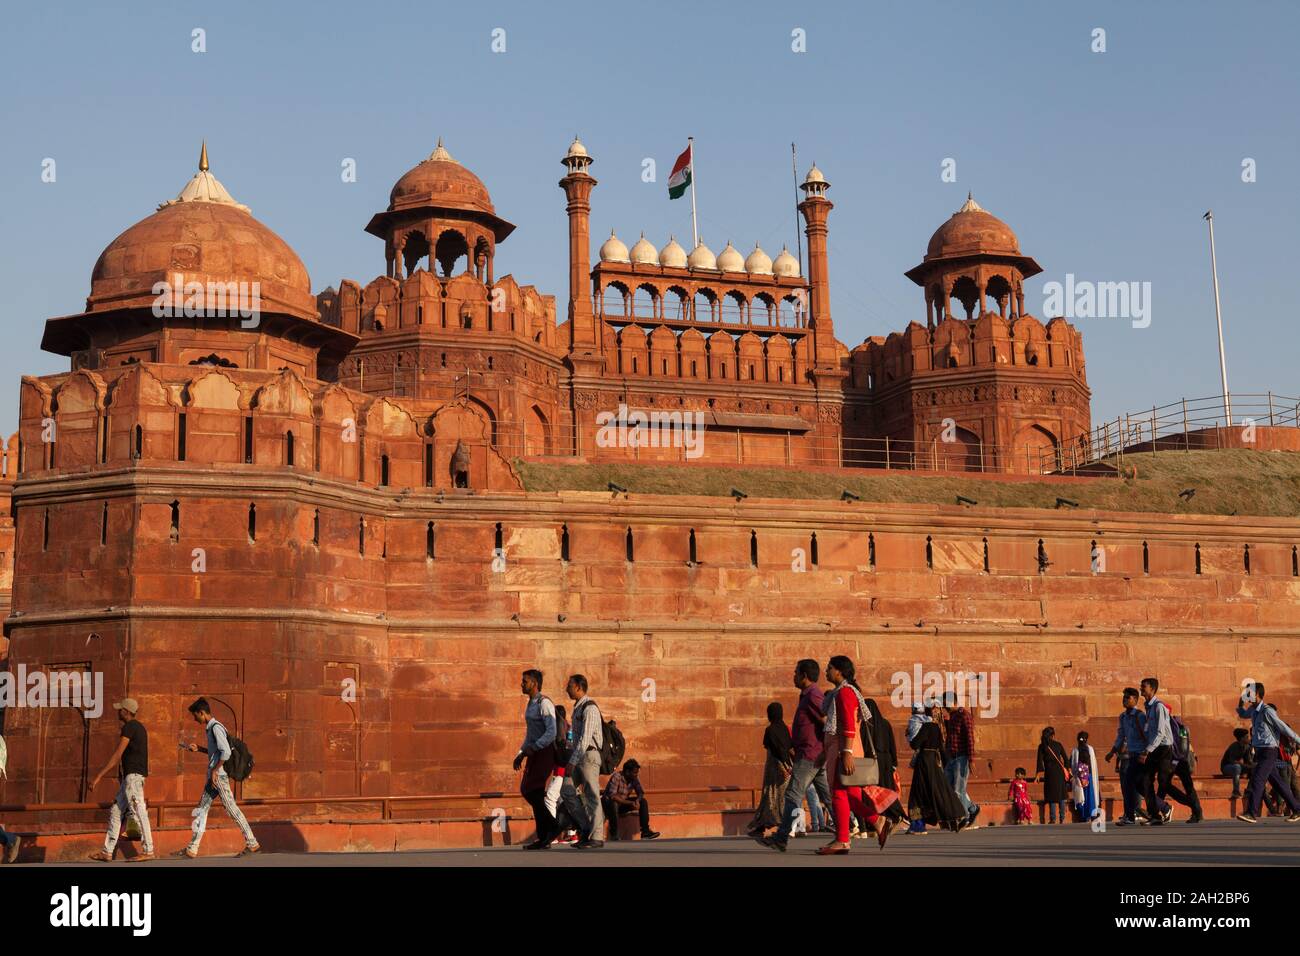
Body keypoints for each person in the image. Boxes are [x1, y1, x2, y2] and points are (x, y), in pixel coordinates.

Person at [815, 655, 900, 855]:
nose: (826, 672)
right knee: (851, 795)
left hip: (844, 749)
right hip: (843, 748)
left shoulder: (845, 693)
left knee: (838, 793)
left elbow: (848, 724)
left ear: (839, 671)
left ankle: (843, 839)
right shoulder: (843, 692)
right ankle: (877, 821)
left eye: (829, 668)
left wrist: (846, 752)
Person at [762, 659, 834, 852]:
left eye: (795, 673)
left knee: (793, 794)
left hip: (810, 754)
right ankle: (868, 822)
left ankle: (782, 836)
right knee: (828, 796)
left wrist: (826, 749)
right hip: (813, 753)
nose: (793, 676)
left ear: (804, 675)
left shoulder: (813, 696)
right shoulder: (807, 695)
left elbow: (826, 722)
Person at [177, 698, 259, 858]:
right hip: (214, 777)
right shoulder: (212, 728)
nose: (195, 719)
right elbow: (217, 752)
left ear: (202, 713)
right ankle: (192, 848)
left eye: (195, 716)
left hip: (219, 776)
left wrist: (214, 770)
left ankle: (252, 842)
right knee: (202, 809)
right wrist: (199, 749)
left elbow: (226, 752)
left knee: (231, 808)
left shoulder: (215, 728)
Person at [87, 698, 155, 862]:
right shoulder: (139, 727)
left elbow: (117, 754)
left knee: (138, 811)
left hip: (133, 777)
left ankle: (148, 849)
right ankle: (107, 851)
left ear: (126, 711)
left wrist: (98, 777)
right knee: (116, 811)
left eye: (120, 709)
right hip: (130, 778)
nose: (118, 711)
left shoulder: (130, 727)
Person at [1235, 681, 1300, 823]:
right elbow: (1242, 713)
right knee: (1278, 783)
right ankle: (1297, 809)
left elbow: (1283, 727)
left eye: (1249, 694)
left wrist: (1298, 740)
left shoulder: (1267, 711)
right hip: (1260, 751)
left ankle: (1251, 813)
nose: (1247, 696)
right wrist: (1241, 700)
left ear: (1257, 694)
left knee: (1258, 779)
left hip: (1269, 751)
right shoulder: (1253, 710)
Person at [558, 674, 605, 848]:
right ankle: (586, 829)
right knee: (567, 791)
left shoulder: (590, 707)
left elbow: (585, 739)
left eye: (569, 685)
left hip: (589, 756)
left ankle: (597, 836)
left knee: (592, 795)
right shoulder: (578, 708)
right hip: (579, 756)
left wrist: (572, 761)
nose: (566, 688)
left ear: (578, 687)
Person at [513, 669, 558, 850]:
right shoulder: (531, 703)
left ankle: (553, 826)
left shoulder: (544, 703)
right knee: (533, 792)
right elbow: (530, 734)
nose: (522, 684)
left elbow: (551, 731)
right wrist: (521, 753)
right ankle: (544, 836)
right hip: (534, 752)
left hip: (545, 751)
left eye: (525, 681)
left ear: (534, 683)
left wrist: (534, 748)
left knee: (530, 790)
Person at [907, 701, 967, 834]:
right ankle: (957, 816)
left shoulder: (924, 727)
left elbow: (915, 744)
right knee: (941, 790)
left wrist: (910, 736)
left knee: (918, 793)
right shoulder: (935, 727)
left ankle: (918, 825)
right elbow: (941, 746)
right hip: (934, 761)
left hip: (924, 761)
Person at [1103, 688, 1149, 825]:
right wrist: (1112, 752)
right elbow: (1121, 735)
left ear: (1135, 700)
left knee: (1141, 786)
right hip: (1129, 755)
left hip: (1139, 755)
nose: (1124, 700)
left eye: (1127, 697)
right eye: (1123, 697)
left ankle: (1161, 808)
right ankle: (1130, 815)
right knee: (1128, 786)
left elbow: (1146, 736)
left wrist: (1146, 753)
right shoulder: (1123, 717)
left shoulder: (1140, 716)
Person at [748, 702, 793, 836]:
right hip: (787, 768)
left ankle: (779, 827)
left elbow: (774, 750)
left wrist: (782, 767)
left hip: (775, 769)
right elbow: (789, 748)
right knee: (780, 799)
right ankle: (763, 826)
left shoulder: (770, 730)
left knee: (770, 798)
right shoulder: (785, 728)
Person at [1135, 678, 1176, 825]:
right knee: (1144, 781)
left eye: (1143, 686)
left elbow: (1160, 732)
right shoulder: (1149, 707)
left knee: (1162, 782)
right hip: (1155, 748)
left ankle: (1191, 807)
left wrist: (1147, 751)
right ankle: (1157, 814)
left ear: (1152, 689)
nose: (1141, 689)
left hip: (1163, 749)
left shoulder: (1159, 707)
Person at [942, 690, 980, 829]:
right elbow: (950, 739)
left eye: (946, 703)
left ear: (953, 701)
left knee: (958, 790)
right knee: (948, 787)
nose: (944, 707)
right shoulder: (951, 717)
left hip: (962, 758)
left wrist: (971, 759)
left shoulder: (964, 716)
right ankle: (972, 809)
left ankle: (964, 817)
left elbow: (970, 738)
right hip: (952, 758)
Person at [1161, 710, 1203, 824]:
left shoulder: (1178, 727)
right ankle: (1156, 810)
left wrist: (1174, 763)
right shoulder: (1172, 725)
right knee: (1164, 785)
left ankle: (1195, 809)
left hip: (1179, 761)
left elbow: (1182, 749)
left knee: (1186, 787)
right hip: (1172, 760)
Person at [601, 759, 660, 841]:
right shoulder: (616, 777)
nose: (636, 775)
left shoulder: (634, 779)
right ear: (627, 772)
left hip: (622, 804)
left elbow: (640, 792)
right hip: (608, 807)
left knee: (643, 801)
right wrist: (631, 802)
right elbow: (613, 796)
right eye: (635, 773)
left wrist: (637, 801)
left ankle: (645, 832)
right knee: (614, 803)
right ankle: (614, 834)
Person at [546, 704, 577, 843]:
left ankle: (551, 833)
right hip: (571, 769)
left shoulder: (559, 728)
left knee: (550, 798)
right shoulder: (569, 728)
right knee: (565, 800)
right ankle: (572, 833)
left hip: (561, 770)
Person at [1035, 727, 1070, 824]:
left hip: (1050, 773)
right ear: (1053, 735)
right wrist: (1068, 769)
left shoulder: (1042, 746)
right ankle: (1062, 818)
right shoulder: (1058, 745)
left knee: (1052, 796)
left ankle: (1053, 818)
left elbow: (1039, 761)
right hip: (1059, 772)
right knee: (1061, 795)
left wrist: (1038, 774)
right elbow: (1066, 759)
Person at [1070, 731, 1100, 823]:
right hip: (1089, 776)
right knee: (1090, 796)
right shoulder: (1090, 749)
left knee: (1081, 796)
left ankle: (1084, 815)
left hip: (1080, 777)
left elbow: (1072, 763)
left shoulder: (1076, 750)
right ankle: (1091, 815)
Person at [1220, 727, 1253, 798]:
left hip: (1239, 767)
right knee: (1237, 767)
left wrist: (1254, 765)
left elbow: (1248, 761)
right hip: (1227, 767)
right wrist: (1244, 765)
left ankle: (1248, 790)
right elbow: (1232, 761)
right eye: (1246, 737)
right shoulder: (1234, 746)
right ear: (1241, 739)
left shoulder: (1247, 747)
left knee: (1254, 769)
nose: (1248, 738)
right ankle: (1235, 792)